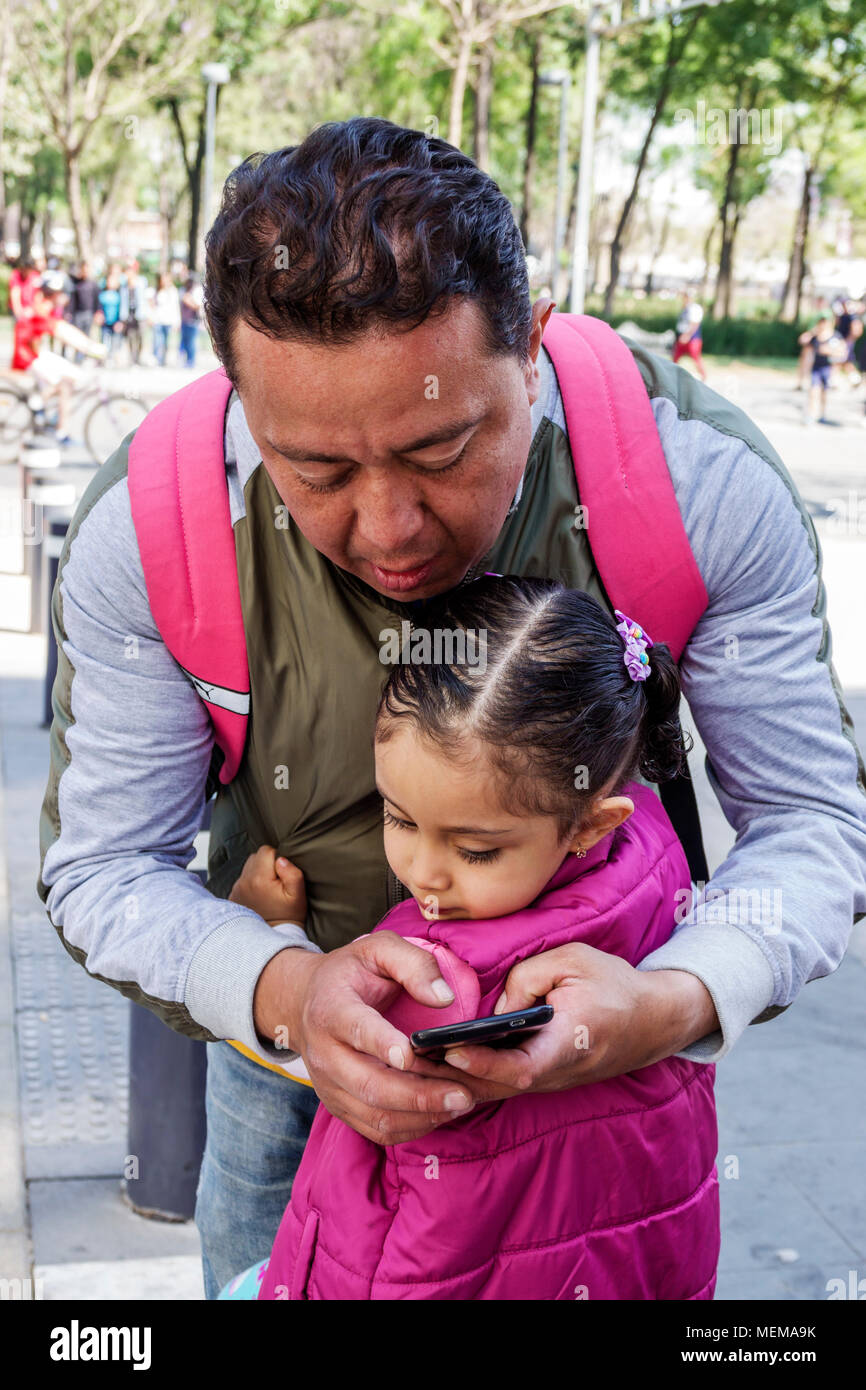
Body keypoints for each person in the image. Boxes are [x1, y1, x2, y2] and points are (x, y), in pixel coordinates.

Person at [36, 119, 866, 1300]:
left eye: (442, 448)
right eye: (313, 469)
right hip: (289, 1075)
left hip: (608, 1097)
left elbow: (812, 826)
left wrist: (668, 1004)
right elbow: (103, 868)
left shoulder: (695, 485)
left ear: (529, 350)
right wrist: (287, 997)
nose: (387, 529)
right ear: (238, 394)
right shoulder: (150, 526)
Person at [218, 578, 720, 1301]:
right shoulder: (654, 851)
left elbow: (341, 1066)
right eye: (396, 816)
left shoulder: (452, 974)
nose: (424, 873)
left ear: (589, 825)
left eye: (475, 850)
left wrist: (279, 935)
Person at [11, 271, 106, 442]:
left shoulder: (45, 306)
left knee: (68, 381)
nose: (65, 298)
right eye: (63, 293)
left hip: (33, 353)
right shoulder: (41, 308)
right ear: (55, 293)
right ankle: (39, 403)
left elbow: (62, 329)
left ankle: (58, 426)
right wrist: (90, 347)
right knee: (71, 379)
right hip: (27, 356)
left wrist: (88, 345)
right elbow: (62, 331)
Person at [797, 315, 848, 425]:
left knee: (824, 392)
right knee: (813, 391)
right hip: (816, 367)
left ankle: (822, 414)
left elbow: (843, 351)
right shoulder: (815, 337)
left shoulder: (835, 336)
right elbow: (802, 340)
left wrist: (828, 351)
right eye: (821, 323)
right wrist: (811, 332)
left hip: (828, 367)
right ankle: (810, 415)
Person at [8, 255, 44, 370]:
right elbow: (15, 294)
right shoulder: (16, 275)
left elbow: (38, 296)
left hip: (32, 312)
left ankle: (34, 363)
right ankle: (19, 364)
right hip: (21, 313)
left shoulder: (35, 277)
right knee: (20, 339)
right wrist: (19, 313)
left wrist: (33, 310)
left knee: (35, 338)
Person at [672, 290, 707, 381]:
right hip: (682, 336)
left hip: (692, 338)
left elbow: (694, 323)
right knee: (675, 356)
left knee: (696, 358)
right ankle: (671, 374)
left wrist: (687, 335)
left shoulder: (694, 308)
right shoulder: (685, 308)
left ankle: (703, 376)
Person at [120, 258, 148, 366]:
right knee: (130, 336)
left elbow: (145, 298)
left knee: (140, 336)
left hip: (140, 314)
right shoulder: (124, 285)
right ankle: (132, 358)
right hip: (128, 314)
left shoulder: (141, 281)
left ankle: (138, 357)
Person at [95, 265, 125, 364]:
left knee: (116, 341)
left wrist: (120, 321)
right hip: (105, 322)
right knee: (104, 340)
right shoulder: (102, 293)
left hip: (115, 321)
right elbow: (99, 307)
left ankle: (113, 357)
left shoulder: (120, 293)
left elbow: (122, 308)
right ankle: (104, 358)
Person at [151, 270, 180, 365]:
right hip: (158, 320)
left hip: (168, 321)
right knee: (157, 341)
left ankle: (163, 359)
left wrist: (177, 322)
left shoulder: (173, 291)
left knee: (166, 342)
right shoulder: (157, 291)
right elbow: (154, 306)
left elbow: (176, 307)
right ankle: (156, 359)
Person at [179, 274, 204, 367]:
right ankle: (186, 360)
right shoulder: (183, 291)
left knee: (192, 342)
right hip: (184, 320)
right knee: (185, 342)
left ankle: (191, 361)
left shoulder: (196, 292)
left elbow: (197, 305)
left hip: (193, 321)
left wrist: (189, 300)